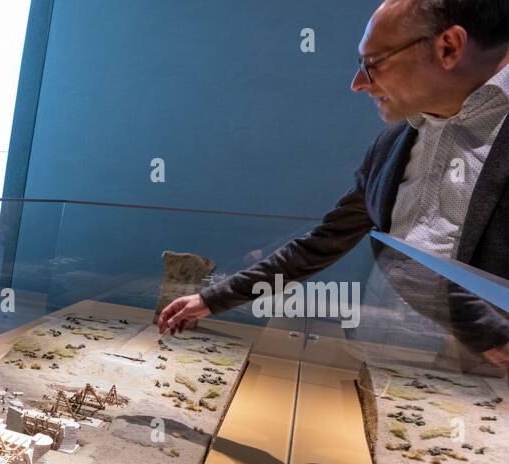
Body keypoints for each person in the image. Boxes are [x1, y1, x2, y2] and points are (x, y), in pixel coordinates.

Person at [158, 0, 509, 374]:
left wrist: (491, 335)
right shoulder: (393, 144)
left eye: (373, 63)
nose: (358, 84)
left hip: (488, 375)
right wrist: (212, 298)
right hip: (383, 356)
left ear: (448, 48)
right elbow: (324, 241)